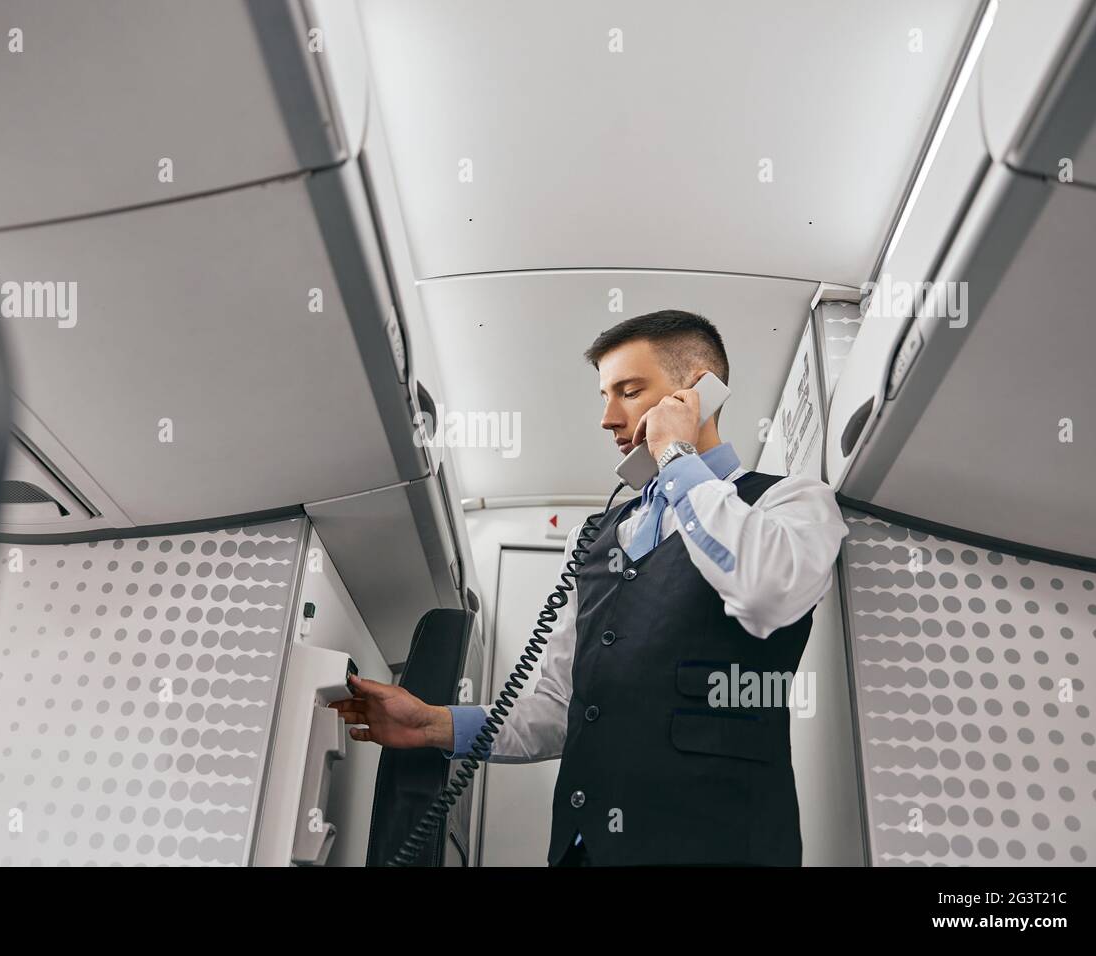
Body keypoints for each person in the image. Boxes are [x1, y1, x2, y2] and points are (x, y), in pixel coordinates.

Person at [330, 309, 848, 866]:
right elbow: (558, 711)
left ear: (702, 392)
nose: (607, 417)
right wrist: (432, 722)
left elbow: (765, 591)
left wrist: (677, 457)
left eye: (628, 391)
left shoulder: (787, 501)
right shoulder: (592, 538)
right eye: (604, 395)